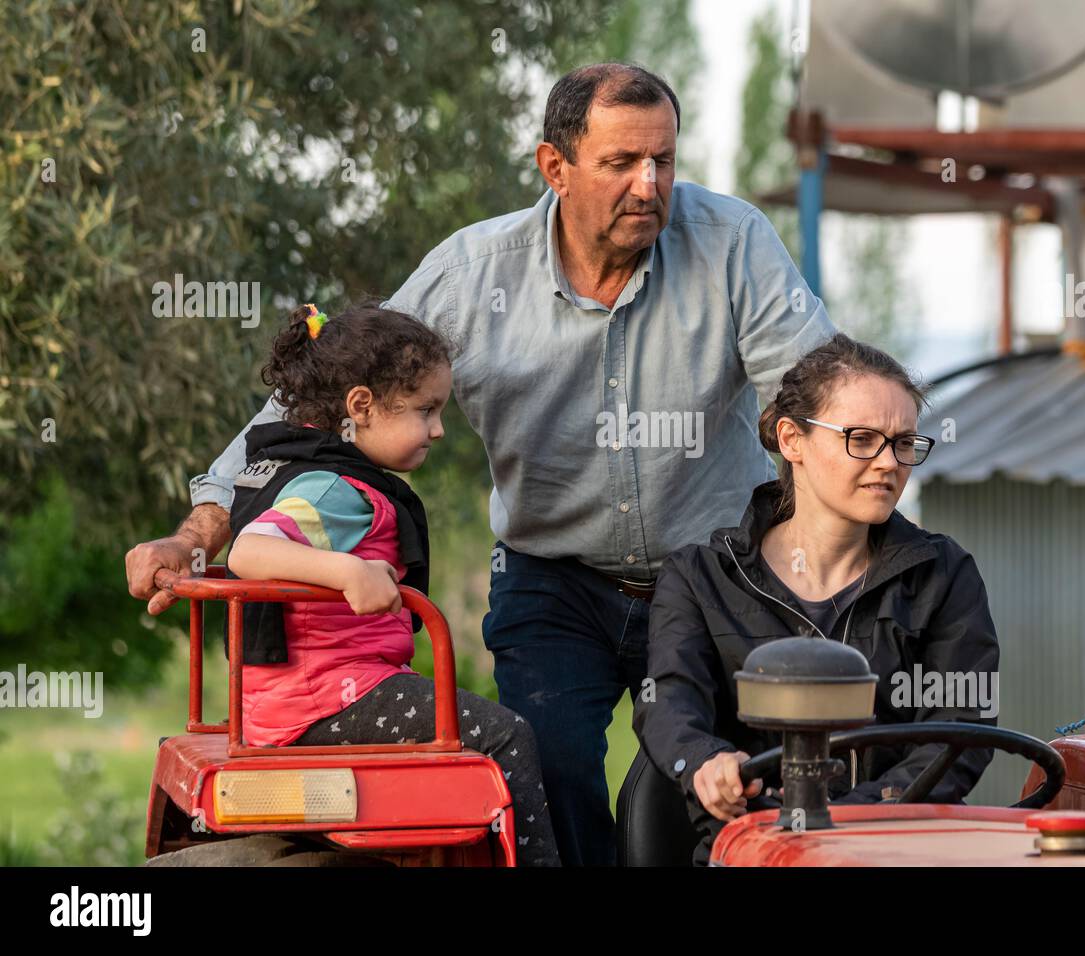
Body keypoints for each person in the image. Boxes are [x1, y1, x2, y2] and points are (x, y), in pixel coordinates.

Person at [125, 61, 835, 866]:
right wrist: (197, 533)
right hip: (553, 580)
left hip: (710, 575)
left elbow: (817, 399)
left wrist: (849, 510)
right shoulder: (470, 276)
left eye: (663, 161)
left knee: (709, 787)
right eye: (620, 163)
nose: (649, 184)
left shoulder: (733, 242)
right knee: (552, 767)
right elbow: (313, 401)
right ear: (553, 167)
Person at [633, 334, 1000, 865]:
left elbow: (958, 735)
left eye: (903, 443)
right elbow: (669, 701)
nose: (888, 462)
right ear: (792, 440)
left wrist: (852, 821)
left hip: (891, 849)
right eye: (862, 438)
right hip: (751, 847)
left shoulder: (945, 576)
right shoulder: (700, 577)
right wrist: (707, 761)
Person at [218, 302, 559, 866]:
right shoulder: (335, 488)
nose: (439, 428)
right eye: (426, 410)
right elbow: (250, 551)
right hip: (323, 699)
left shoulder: (288, 465)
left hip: (298, 696)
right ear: (362, 407)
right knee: (507, 737)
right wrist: (348, 571)